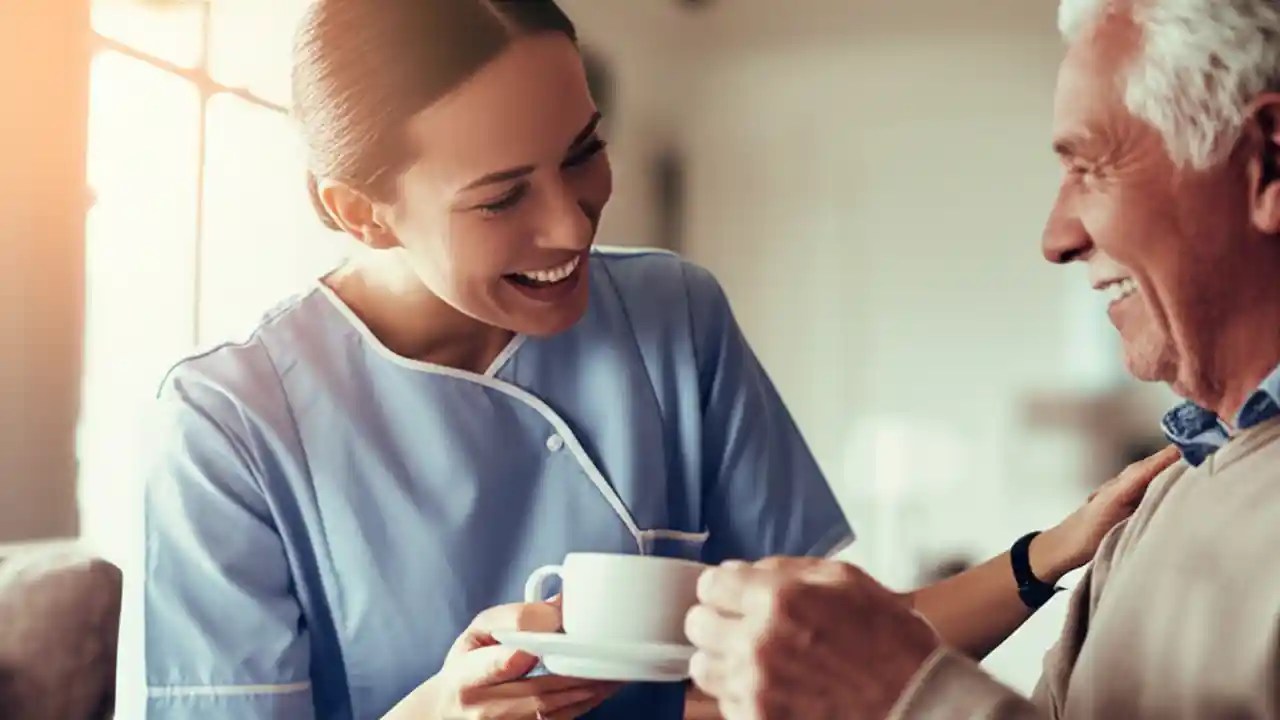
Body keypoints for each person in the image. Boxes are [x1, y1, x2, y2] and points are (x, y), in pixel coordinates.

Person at [118, 1, 1177, 719]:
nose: (570, 223)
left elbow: (830, 649)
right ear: (360, 212)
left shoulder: (674, 317)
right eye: (501, 197)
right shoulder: (229, 426)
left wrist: (1056, 549)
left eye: (583, 152)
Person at [684, 0, 1280, 718]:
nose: (1056, 238)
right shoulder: (1164, 498)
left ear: (1267, 163)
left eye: (1091, 167)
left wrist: (907, 696)